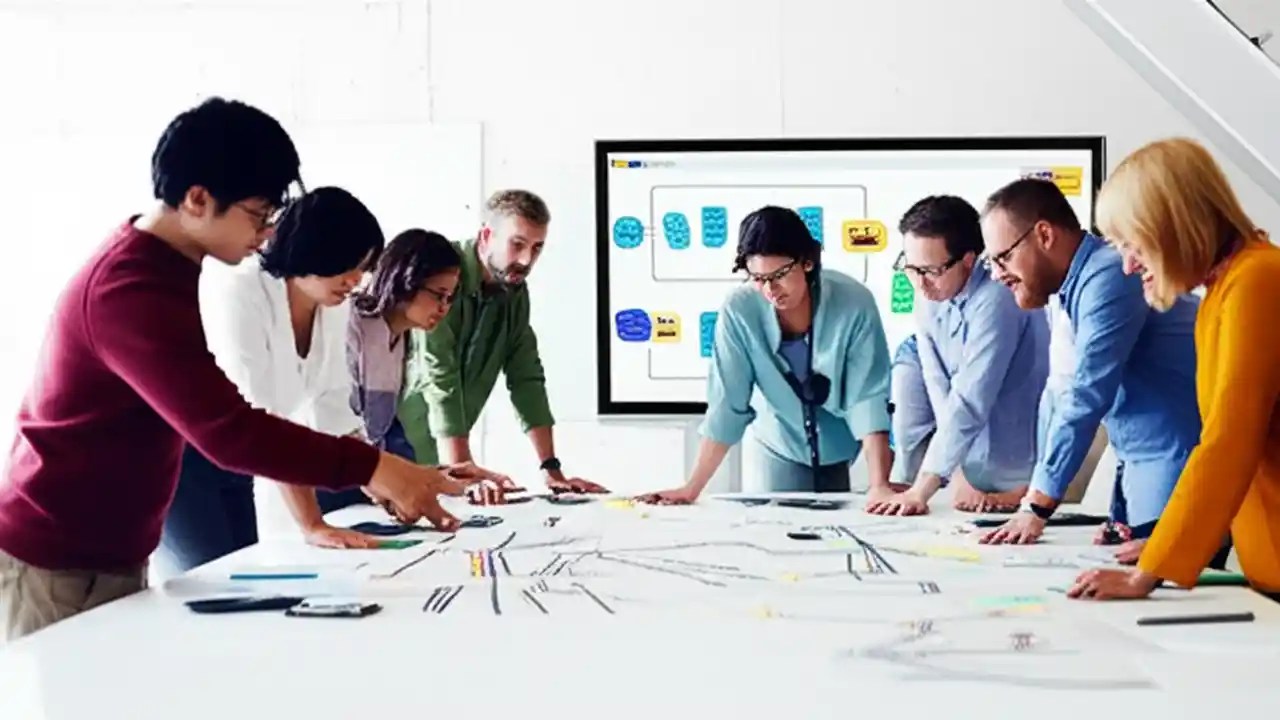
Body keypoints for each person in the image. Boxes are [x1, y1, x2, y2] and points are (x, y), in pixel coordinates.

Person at [0, 97, 461, 643]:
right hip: (52, 557)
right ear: (198, 199)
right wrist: (375, 468)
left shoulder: (170, 271)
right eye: (258, 215)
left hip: (111, 553)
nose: (267, 233)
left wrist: (376, 472)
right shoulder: (129, 288)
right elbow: (229, 431)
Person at [1069, 138, 1280, 600]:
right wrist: (1168, 544)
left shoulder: (1257, 281)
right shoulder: (1225, 289)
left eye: (1132, 244)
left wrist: (1148, 571)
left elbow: (1229, 443)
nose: (1128, 266)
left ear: (1172, 226)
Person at [156, 186, 389, 579]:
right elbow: (259, 418)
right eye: (349, 264)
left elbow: (332, 406)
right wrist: (312, 524)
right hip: (187, 459)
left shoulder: (332, 304)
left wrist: (379, 479)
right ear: (315, 250)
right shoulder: (240, 288)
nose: (356, 280)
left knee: (245, 579)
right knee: (215, 582)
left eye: (364, 268)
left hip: (243, 458)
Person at [975, 178, 1201, 547]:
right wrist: (1116, 511)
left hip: (1180, 472)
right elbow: (1060, 396)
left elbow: (1087, 395)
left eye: (1003, 258)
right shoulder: (1068, 291)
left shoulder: (1109, 274)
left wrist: (1037, 506)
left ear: (1044, 235)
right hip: (1143, 470)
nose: (998, 274)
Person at [636, 205, 893, 504]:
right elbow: (726, 404)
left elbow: (867, 397)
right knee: (776, 525)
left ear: (807, 262)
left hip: (841, 444)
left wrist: (879, 484)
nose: (770, 289)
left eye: (780, 275)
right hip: (779, 443)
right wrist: (691, 488)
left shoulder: (854, 302)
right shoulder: (739, 309)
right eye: (757, 278)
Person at [398, 190, 606, 495]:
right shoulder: (441, 275)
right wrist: (465, 474)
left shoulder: (514, 292)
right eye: (517, 244)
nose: (527, 260)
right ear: (486, 236)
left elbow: (526, 375)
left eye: (537, 248)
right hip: (398, 447)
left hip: (445, 457)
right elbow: (439, 376)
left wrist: (551, 469)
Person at [870, 196, 1048, 516]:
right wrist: (953, 473)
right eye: (911, 268)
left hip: (1013, 455)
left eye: (931, 270)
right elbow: (938, 384)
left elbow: (970, 398)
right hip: (967, 456)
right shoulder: (928, 293)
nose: (920, 283)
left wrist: (924, 489)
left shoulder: (998, 297)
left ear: (968, 260)